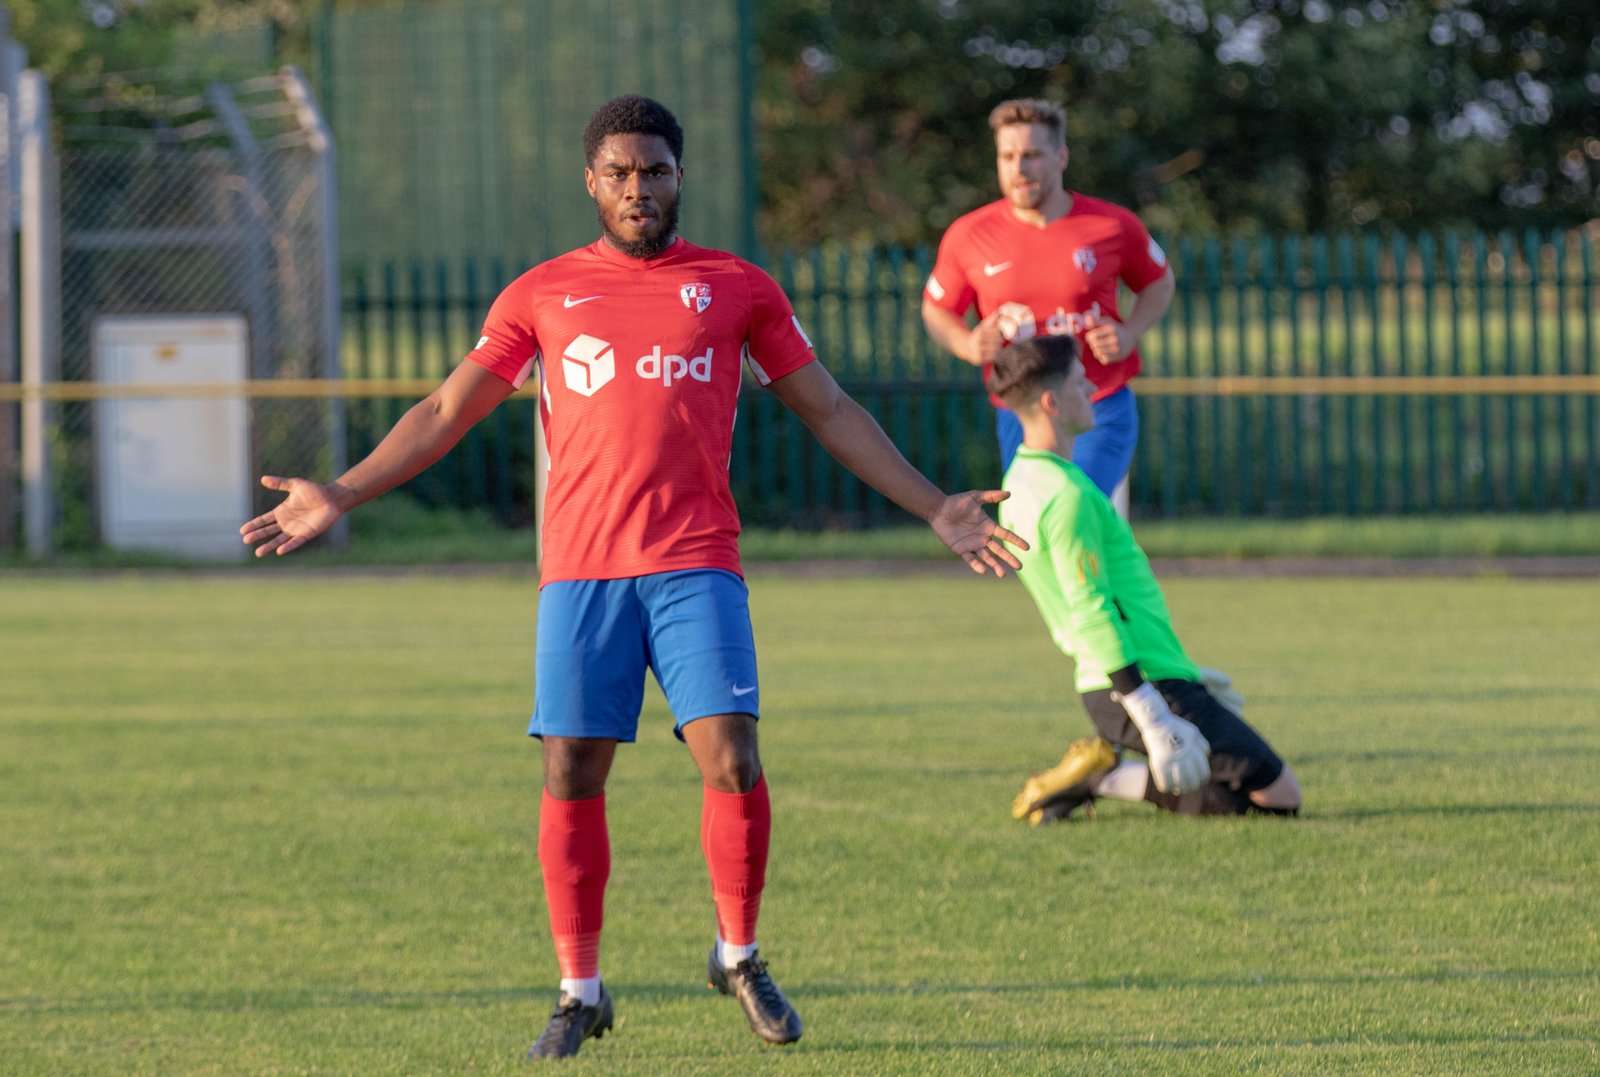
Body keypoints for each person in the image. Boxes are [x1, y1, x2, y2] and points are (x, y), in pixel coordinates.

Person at [238, 95, 1027, 1061]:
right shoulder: (543, 293)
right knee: (572, 767)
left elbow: (828, 406)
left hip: (698, 561)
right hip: (580, 574)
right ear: (591, 182)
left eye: (654, 170)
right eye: (618, 172)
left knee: (731, 753)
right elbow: (448, 408)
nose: (637, 188)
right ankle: (580, 989)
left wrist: (934, 503)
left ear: (679, 176)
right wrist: (342, 494)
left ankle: (739, 954)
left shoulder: (736, 287)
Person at [988, 333, 1301, 825]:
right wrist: (1150, 707)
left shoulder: (1020, 481)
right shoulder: (1067, 496)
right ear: (1051, 402)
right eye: (1077, 381)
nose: (1091, 387)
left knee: (1228, 780)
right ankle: (1100, 779)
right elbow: (1092, 608)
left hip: (1129, 674)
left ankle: (1100, 777)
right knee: (1280, 798)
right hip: (1137, 678)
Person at [921, 97, 1176, 507]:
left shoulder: (1112, 225)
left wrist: (1130, 333)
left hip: (1096, 402)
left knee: (1073, 508)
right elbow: (937, 310)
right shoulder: (969, 235)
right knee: (1033, 527)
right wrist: (966, 344)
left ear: (1061, 157)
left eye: (1031, 155)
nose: (1018, 169)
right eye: (1007, 156)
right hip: (1019, 408)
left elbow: (1159, 283)